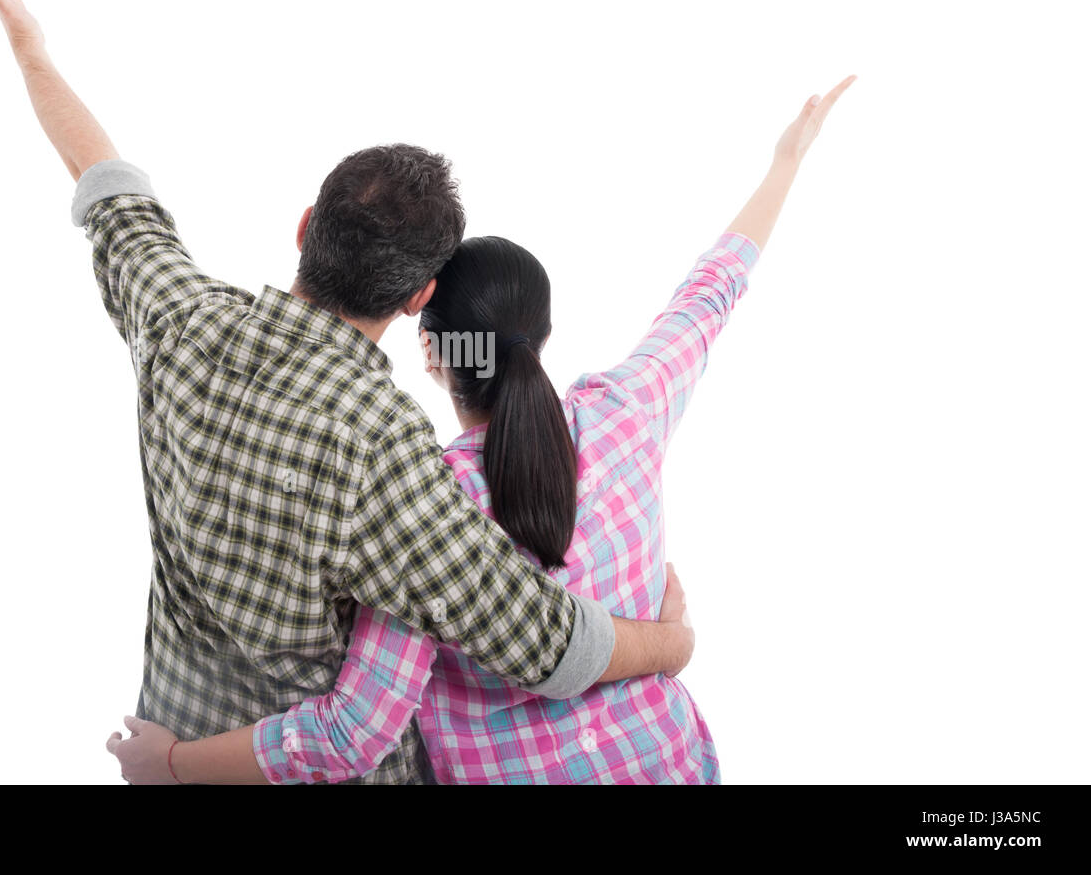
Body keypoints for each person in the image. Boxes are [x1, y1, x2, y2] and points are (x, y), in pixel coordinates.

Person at [0, 0, 697, 784]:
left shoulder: (176, 319)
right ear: (419, 296)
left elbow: (105, 182)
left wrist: (28, 40)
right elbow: (548, 641)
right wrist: (672, 642)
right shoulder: (386, 449)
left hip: (165, 729)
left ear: (306, 224)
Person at [106, 78, 857, 784]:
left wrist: (173, 758)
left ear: (428, 338)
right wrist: (786, 160)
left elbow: (351, 731)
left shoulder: (419, 500)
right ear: (543, 330)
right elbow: (709, 293)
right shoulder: (632, 409)